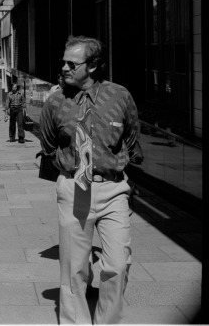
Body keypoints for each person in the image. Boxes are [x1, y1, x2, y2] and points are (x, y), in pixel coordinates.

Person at [38, 35, 143, 324]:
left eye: (72, 63)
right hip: (75, 186)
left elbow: (131, 140)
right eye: (63, 61)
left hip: (113, 189)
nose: (64, 67)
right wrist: (69, 169)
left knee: (118, 265)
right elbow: (47, 145)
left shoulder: (120, 96)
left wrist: (126, 181)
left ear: (93, 66)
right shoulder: (55, 102)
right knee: (74, 269)